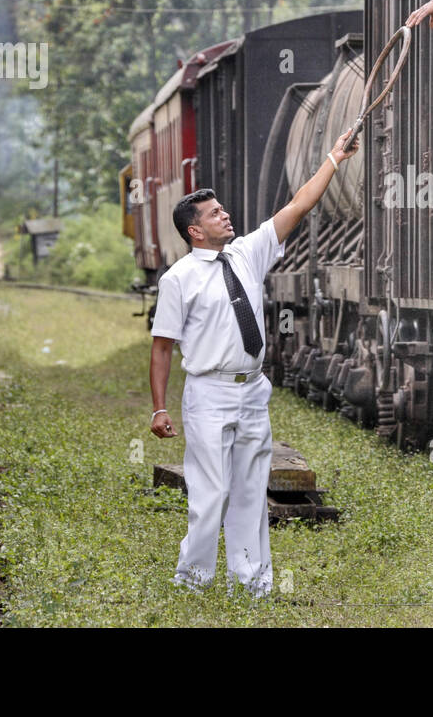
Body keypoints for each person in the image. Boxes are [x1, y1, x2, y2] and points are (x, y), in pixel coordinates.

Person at [149, 129, 361, 595]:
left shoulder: (246, 252)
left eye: (223, 209)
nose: (225, 215)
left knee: (248, 492)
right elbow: (162, 346)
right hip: (208, 392)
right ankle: (193, 580)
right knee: (211, 495)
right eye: (214, 213)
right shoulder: (178, 279)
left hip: (251, 391)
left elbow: (299, 205)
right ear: (194, 231)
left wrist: (333, 158)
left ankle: (252, 584)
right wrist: (160, 408)